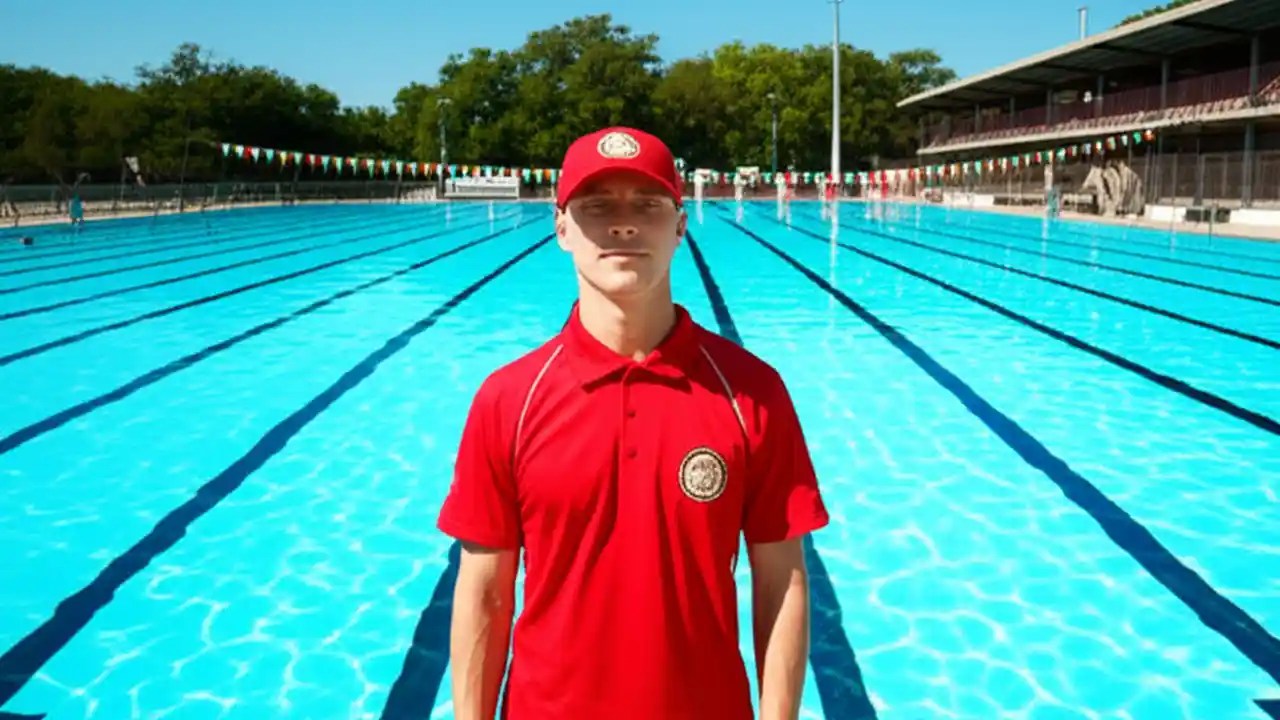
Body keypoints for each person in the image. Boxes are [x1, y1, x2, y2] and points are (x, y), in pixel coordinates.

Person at [436, 126, 830, 720]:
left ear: (679, 225)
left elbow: (781, 584)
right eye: (598, 207)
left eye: (647, 205)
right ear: (562, 227)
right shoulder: (508, 400)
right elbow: (485, 594)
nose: (623, 225)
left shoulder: (751, 392)